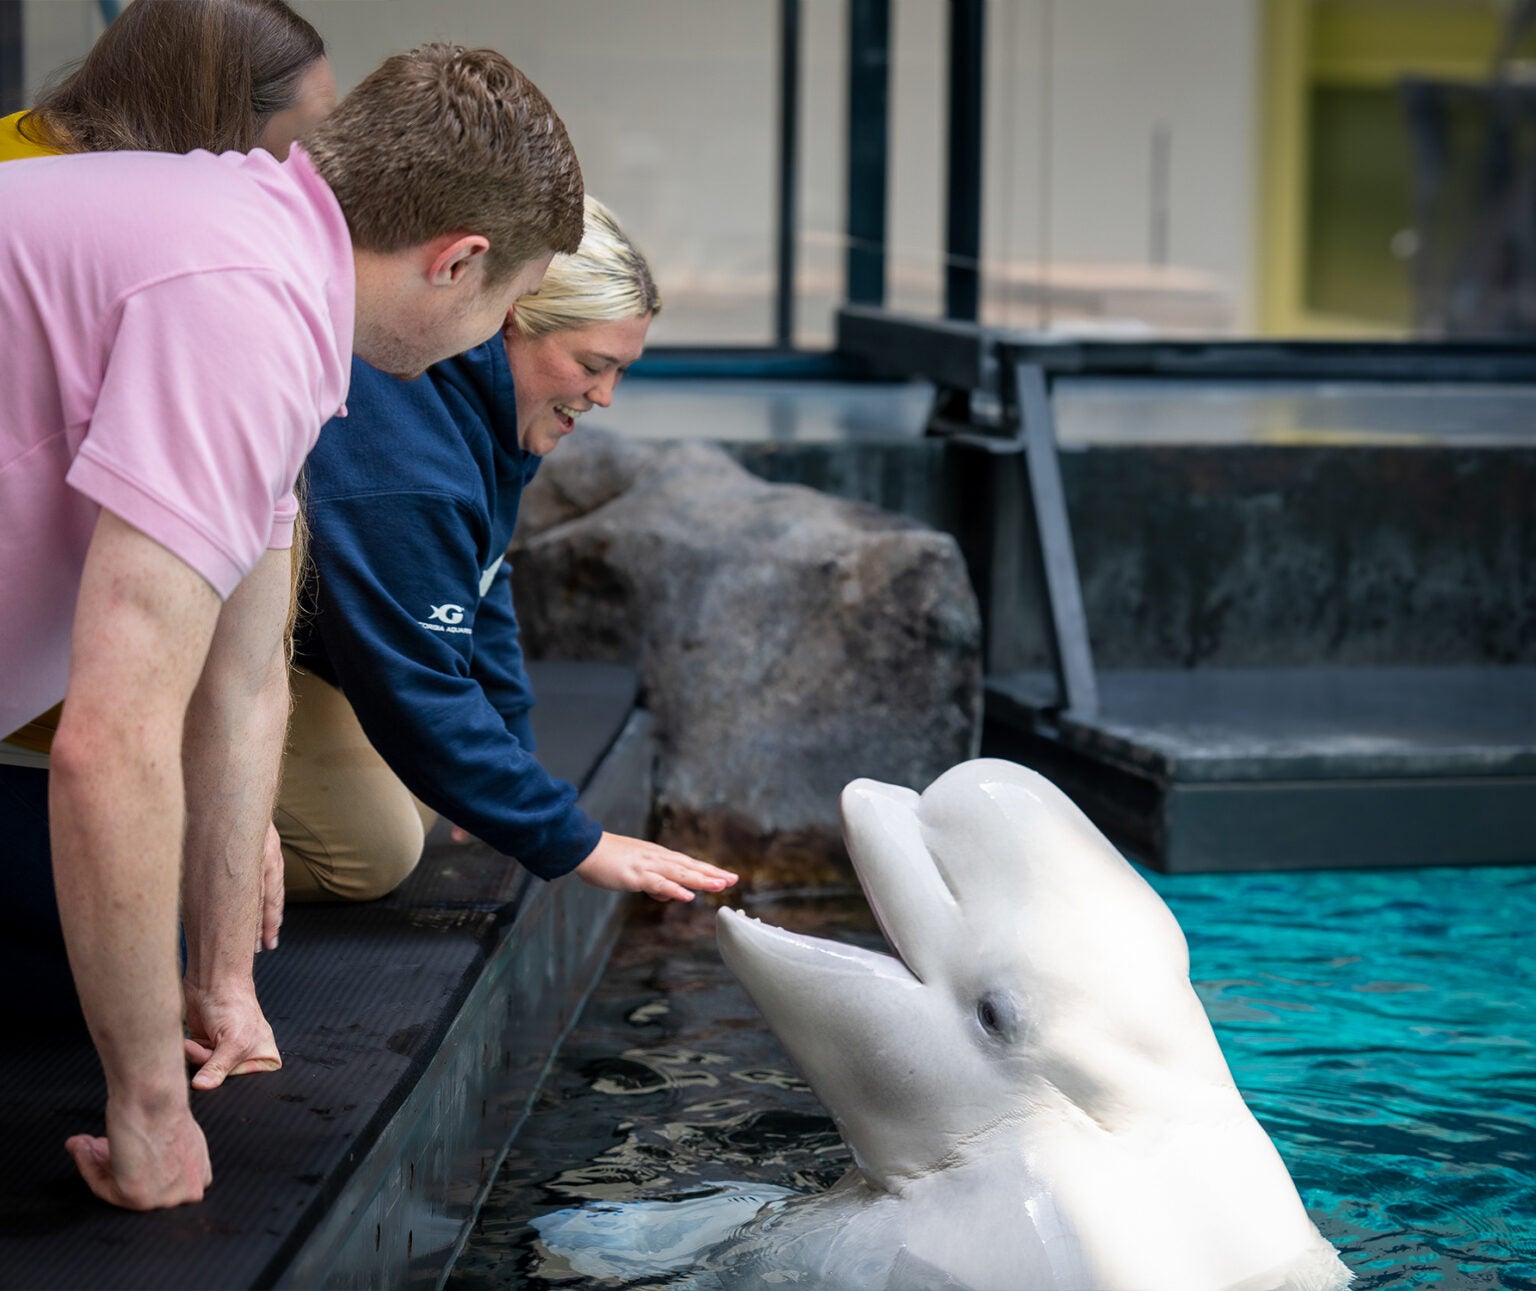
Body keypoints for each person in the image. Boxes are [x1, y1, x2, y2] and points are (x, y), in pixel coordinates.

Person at [0, 41, 584, 1212]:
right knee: (75, 950)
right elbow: (112, 743)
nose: (493, 337)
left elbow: (246, 677)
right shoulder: (242, 306)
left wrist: (220, 981)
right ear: (459, 260)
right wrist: (150, 1111)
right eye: (508, 304)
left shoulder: (263, 250)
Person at [280, 196, 738, 906]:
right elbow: (417, 689)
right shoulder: (407, 465)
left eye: (621, 370)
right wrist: (572, 840)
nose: (605, 396)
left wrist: (514, 756)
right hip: (211, 661)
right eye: (593, 363)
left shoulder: (479, 411)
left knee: (438, 788)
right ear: (512, 318)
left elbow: (480, 581)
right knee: (370, 850)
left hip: (303, 652)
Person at [0, 0, 335, 164]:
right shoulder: (104, 212)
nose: (318, 164)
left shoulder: (22, 135)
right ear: (220, 118)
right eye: (304, 142)